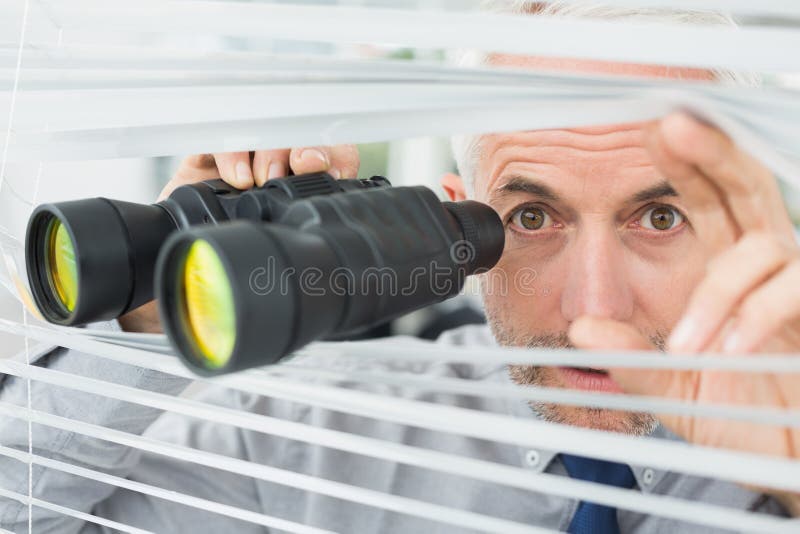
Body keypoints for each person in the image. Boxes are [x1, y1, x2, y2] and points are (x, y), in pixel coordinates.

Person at [2, 2, 799, 532]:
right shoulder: (300, 438)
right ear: (455, 229)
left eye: (660, 218)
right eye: (530, 217)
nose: (597, 309)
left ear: (742, 221)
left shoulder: (783, 442)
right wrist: (153, 305)